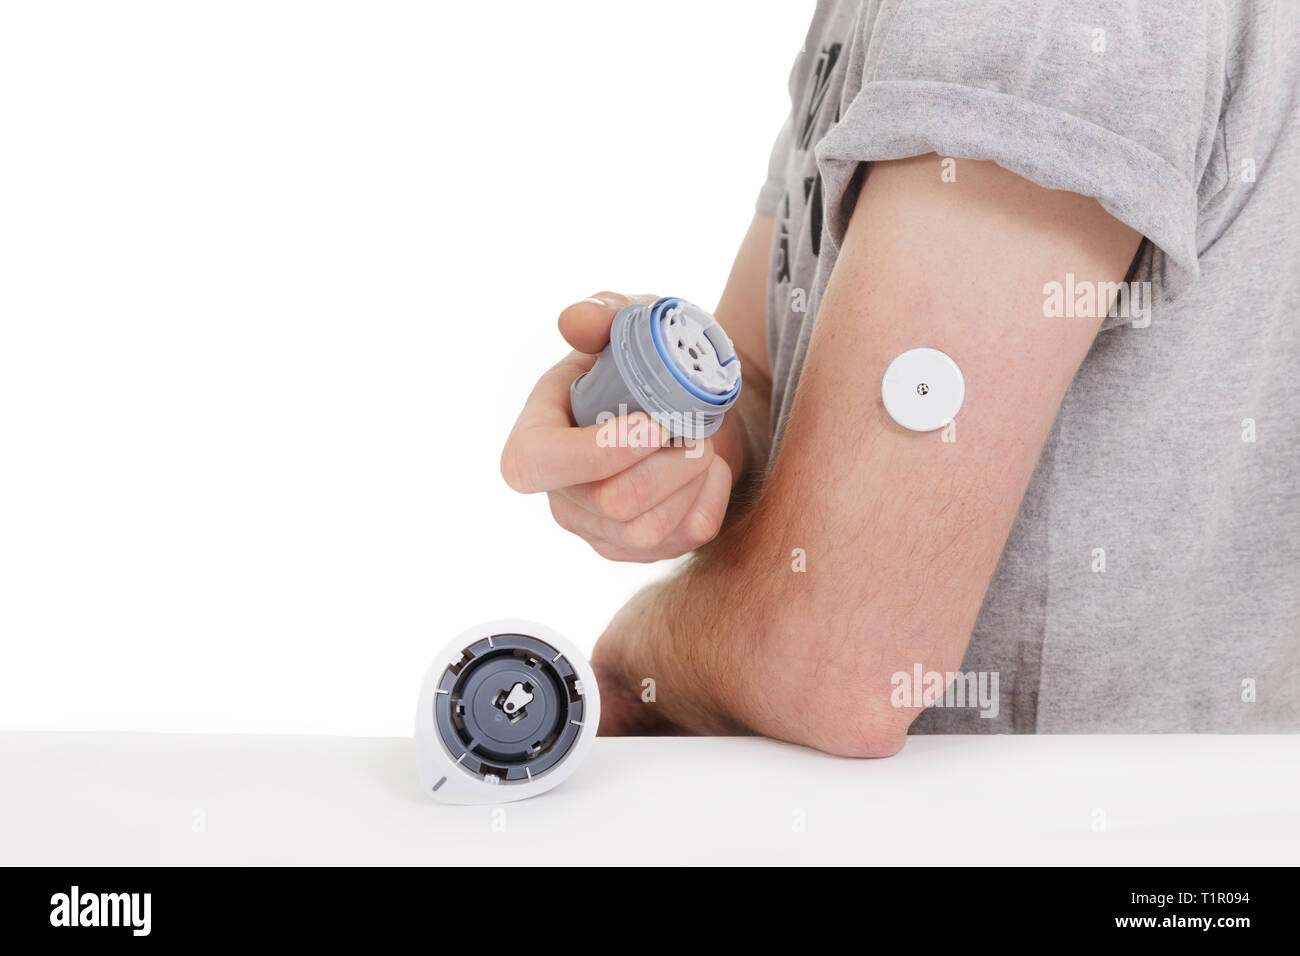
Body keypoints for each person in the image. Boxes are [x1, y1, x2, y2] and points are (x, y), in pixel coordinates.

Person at [500, 0, 1300, 753]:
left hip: (1035, 835)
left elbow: (842, 661)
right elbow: (758, 373)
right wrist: (677, 437)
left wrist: (626, 665)